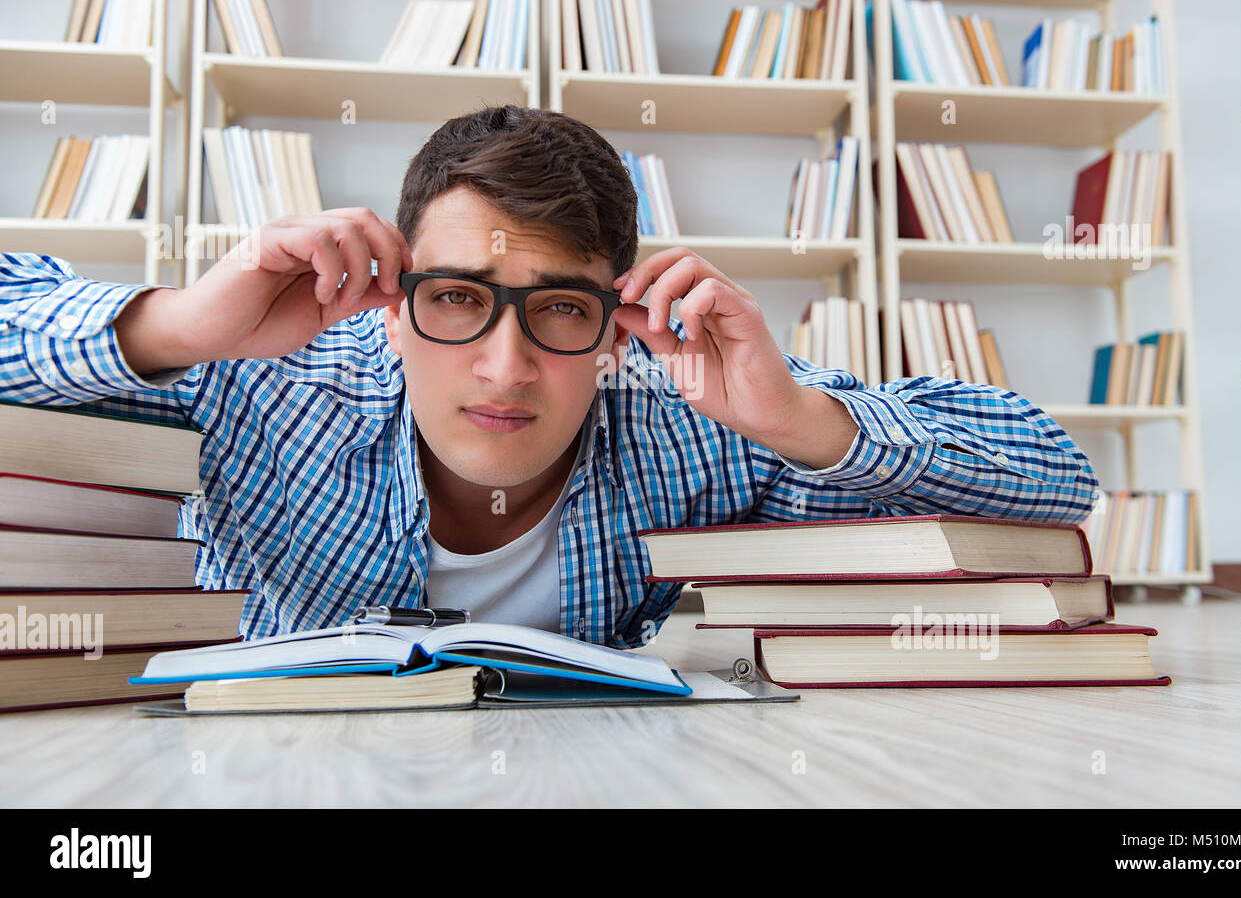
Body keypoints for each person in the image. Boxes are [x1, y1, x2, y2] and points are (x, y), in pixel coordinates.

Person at [0, 105, 1098, 647]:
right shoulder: (257, 376)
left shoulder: (696, 422)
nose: (505, 365)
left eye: (562, 310)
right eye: (456, 298)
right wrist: (177, 324)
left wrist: (807, 422)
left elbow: (1056, 474)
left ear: (619, 324)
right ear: (391, 300)